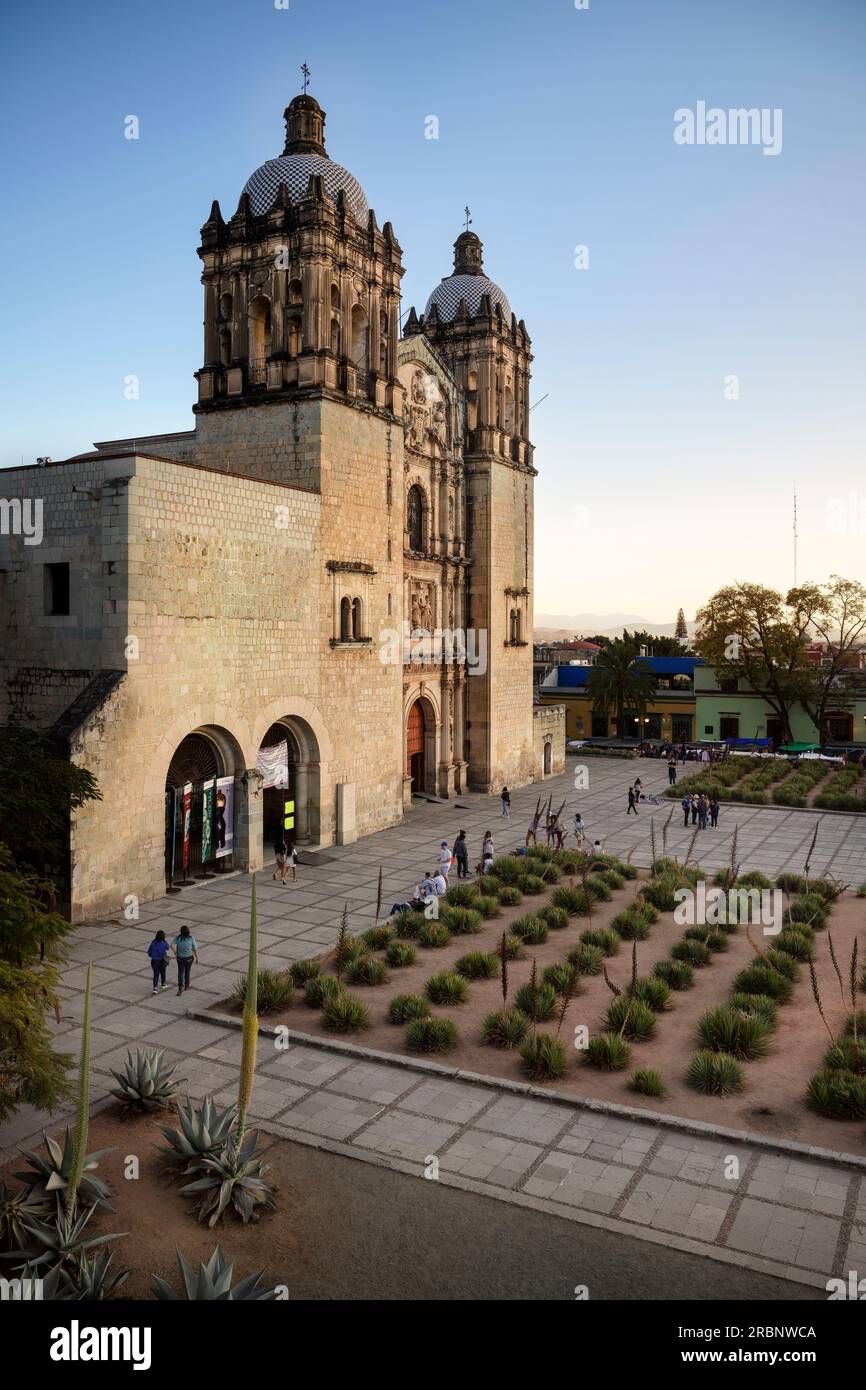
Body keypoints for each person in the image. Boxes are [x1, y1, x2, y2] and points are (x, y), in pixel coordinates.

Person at [171, 925, 199, 996]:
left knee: (180, 973)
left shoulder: (178, 938)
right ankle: (187, 986)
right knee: (187, 971)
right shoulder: (191, 938)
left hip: (180, 958)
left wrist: (175, 952)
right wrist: (197, 958)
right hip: (189, 958)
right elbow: (195, 949)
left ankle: (180, 988)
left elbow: (171, 944)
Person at [147, 929, 170, 994]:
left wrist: (152, 955)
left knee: (156, 974)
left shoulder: (153, 942)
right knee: (163, 972)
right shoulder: (163, 943)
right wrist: (165, 941)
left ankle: (155, 988)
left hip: (154, 961)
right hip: (162, 960)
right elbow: (168, 947)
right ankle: (163, 984)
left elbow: (149, 951)